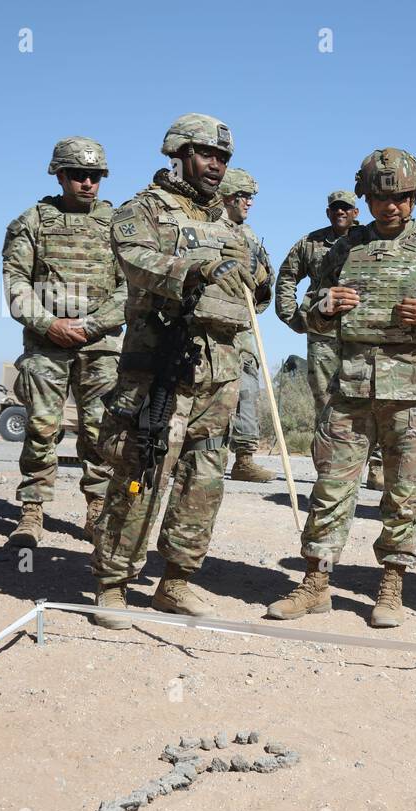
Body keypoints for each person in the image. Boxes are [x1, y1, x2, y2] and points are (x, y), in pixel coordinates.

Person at [266, 148, 416, 627]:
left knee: (403, 494)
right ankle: (316, 583)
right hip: (350, 389)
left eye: (401, 197)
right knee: (331, 487)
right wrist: (323, 304)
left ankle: (391, 586)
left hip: (411, 394)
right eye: (382, 197)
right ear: (366, 197)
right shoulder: (343, 248)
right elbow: (306, 316)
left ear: (415, 196)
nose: (392, 207)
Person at [90, 113, 261, 629]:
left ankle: (176, 581)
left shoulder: (231, 222)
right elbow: (134, 258)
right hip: (163, 361)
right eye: (209, 154)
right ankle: (113, 581)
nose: (217, 166)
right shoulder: (143, 210)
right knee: (143, 469)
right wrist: (198, 268)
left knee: (203, 477)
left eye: (224, 158)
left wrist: (251, 274)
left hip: (222, 368)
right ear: (180, 153)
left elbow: (261, 280)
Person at [3, 137, 126, 546]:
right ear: (60, 175)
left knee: (101, 430)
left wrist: (92, 326)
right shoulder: (33, 222)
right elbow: (16, 284)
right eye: (78, 175)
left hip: (101, 345)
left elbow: (132, 289)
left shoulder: (121, 227)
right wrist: (48, 324)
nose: (87, 183)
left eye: (94, 176)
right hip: (46, 344)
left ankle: (96, 507)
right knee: (41, 426)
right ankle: (32, 509)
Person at [275, 190, 382, 483]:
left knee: (370, 398)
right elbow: (287, 275)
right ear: (328, 212)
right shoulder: (311, 243)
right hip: (323, 332)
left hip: (363, 332)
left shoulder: (370, 239)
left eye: (346, 208)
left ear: (356, 212)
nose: (340, 213)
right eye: (335, 208)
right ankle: (327, 468)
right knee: (325, 401)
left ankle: (376, 465)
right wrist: (292, 316)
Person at [216, 165, 277, 483]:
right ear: (226, 196)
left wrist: (260, 274)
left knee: (248, 391)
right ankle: (204, 455)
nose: (249, 203)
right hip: (210, 324)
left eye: (251, 197)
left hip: (242, 325)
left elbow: (265, 283)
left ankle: (244, 457)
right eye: (243, 196)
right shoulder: (207, 227)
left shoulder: (249, 235)